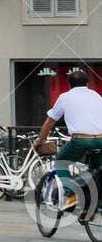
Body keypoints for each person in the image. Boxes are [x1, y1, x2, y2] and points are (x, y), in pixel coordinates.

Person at [36, 68, 102, 211]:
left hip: (81, 140)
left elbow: (50, 121)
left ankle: (71, 194)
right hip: (100, 140)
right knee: (97, 170)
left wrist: (40, 140)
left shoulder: (65, 97)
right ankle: (96, 202)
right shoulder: (96, 96)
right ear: (87, 83)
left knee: (61, 162)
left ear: (69, 84)